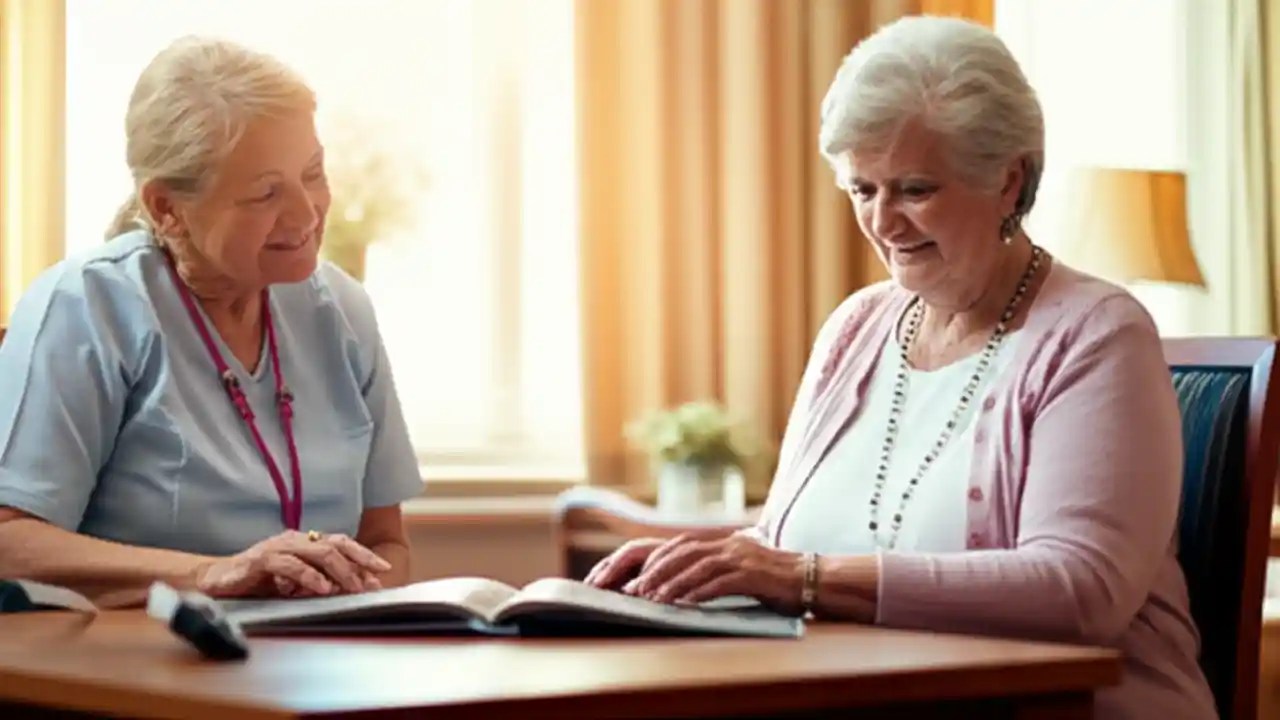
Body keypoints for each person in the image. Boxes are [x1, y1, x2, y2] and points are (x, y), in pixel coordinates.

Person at [586, 16, 1216, 720]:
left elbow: (1081, 590)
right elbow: (784, 546)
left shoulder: (1097, 335)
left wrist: (802, 578)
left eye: (915, 190)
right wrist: (694, 570)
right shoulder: (855, 329)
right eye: (863, 190)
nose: (884, 222)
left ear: (1008, 181)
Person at [0, 37, 425, 606]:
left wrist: (346, 605)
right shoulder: (87, 305)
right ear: (166, 208)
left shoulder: (343, 311)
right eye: (266, 193)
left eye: (313, 173)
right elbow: (10, 541)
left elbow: (385, 543)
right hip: (147, 651)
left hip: (313, 652)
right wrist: (213, 574)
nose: (307, 213)